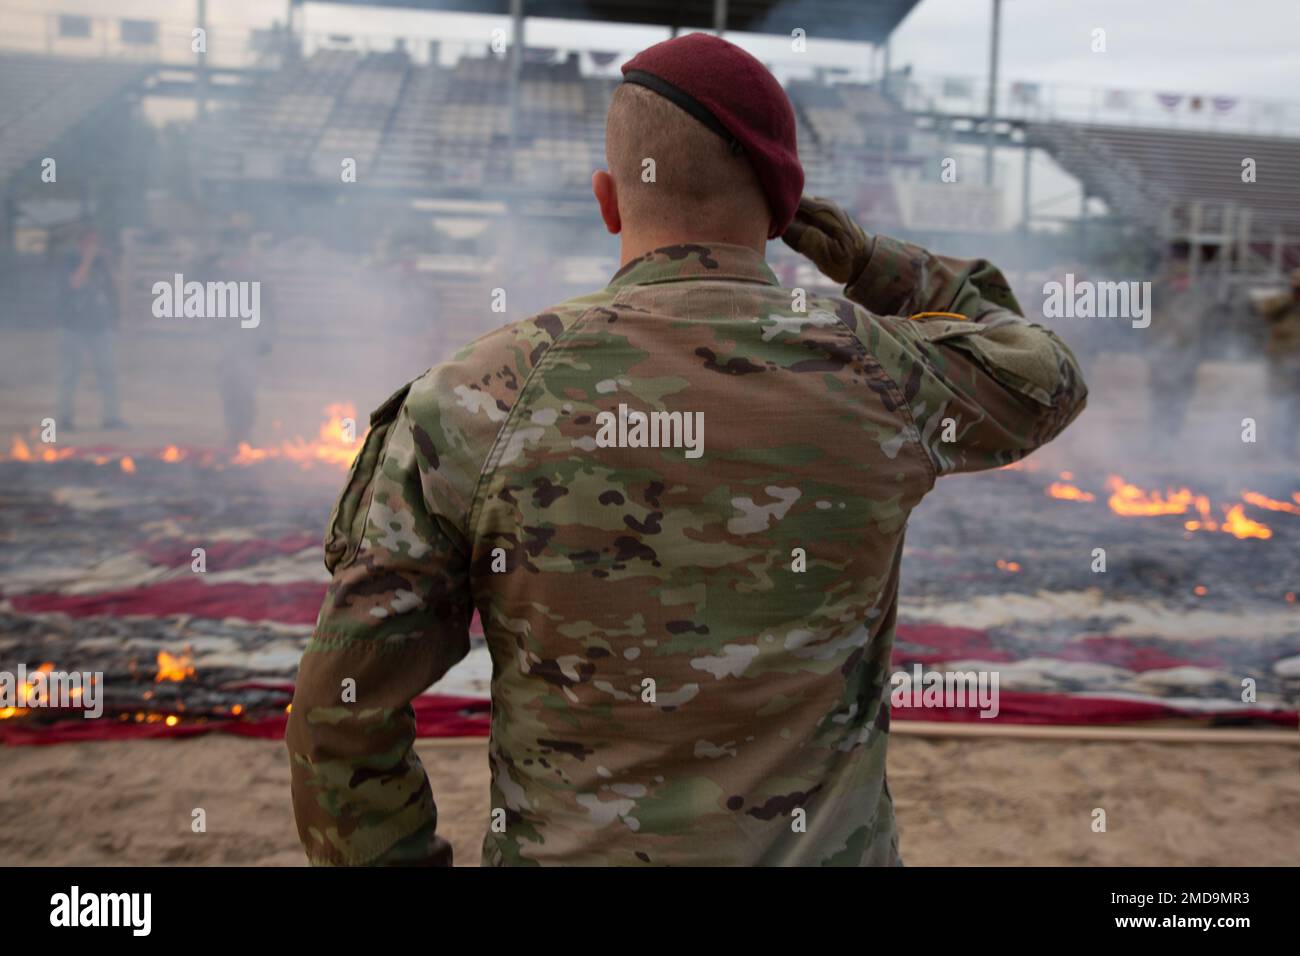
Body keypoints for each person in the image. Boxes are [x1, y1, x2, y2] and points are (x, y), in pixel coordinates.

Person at [286, 33, 1088, 867]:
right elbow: (1044, 373)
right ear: (784, 213)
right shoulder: (879, 372)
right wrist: (869, 259)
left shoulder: (475, 396)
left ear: (608, 200)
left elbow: (341, 711)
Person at [57, 225, 125, 431]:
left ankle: (111, 418)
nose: (94, 247)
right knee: (69, 374)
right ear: (81, 244)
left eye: (97, 243)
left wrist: (108, 262)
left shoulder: (102, 263)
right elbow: (75, 283)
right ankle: (64, 419)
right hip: (72, 327)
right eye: (90, 242)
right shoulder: (71, 261)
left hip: (100, 327)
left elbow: (118, 285)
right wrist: (87, 260)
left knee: (109, 373)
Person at [1255, 266, 1300, 457]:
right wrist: (1291, 298)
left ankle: (1290, 449)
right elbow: (1263, 309)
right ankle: (1277, 450)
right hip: (1282, 368)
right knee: (1281, 409)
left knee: (1295, 412)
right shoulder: (1282, 304)